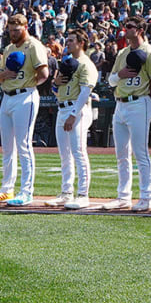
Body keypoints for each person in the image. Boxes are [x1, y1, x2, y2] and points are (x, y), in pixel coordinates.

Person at [0, 14, 52, 206]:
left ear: (26, 27)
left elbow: (44, 74)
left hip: (25, 95)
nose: (13, 33)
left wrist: (29, 85)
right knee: (7, 147)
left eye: (17, 30)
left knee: (24, 144)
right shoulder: (8, 48)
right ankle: (6, 189)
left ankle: (26, 191)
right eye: (10, 30)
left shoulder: (34, 45)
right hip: (7, 96)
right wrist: (4, 75)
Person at [106, 21, 151, 211]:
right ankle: (123, 196)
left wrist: (146, 98)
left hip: (139, 102)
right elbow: (111, 79)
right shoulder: (123, 53)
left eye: (130, 26)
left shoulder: (149, 52)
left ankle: (146, 197)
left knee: (141, 152)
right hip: (120, 103)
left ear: (140, 30)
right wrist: (120, 75)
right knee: (121, 153)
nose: (126, 29)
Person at [50, 35, 99, 210]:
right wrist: (55, 84)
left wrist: (73, 114)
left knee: (78, 152)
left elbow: (86, 91)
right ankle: (66, 192)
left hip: (77, 109)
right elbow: (57, 90)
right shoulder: (67, 63)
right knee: (65, 154)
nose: (67, 43)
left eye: (71, 40)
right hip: (62, 106)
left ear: (81, 43)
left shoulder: (86, 64)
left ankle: (83, 194)